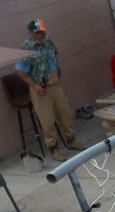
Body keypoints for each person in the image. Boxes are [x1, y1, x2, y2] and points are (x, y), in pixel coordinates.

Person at [15, 18, 85, 163]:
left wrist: (57, 74)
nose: (41, 35)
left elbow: (55, 58)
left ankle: (71, 141)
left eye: (42, 31)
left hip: (56, 87)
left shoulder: (48, 42)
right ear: (30, 32)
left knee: (66, 115)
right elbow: (20, 71)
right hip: (41, 90)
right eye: (38, 32)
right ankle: (54, 149)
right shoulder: (26, 49)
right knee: (48, 122)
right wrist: (35, 86)